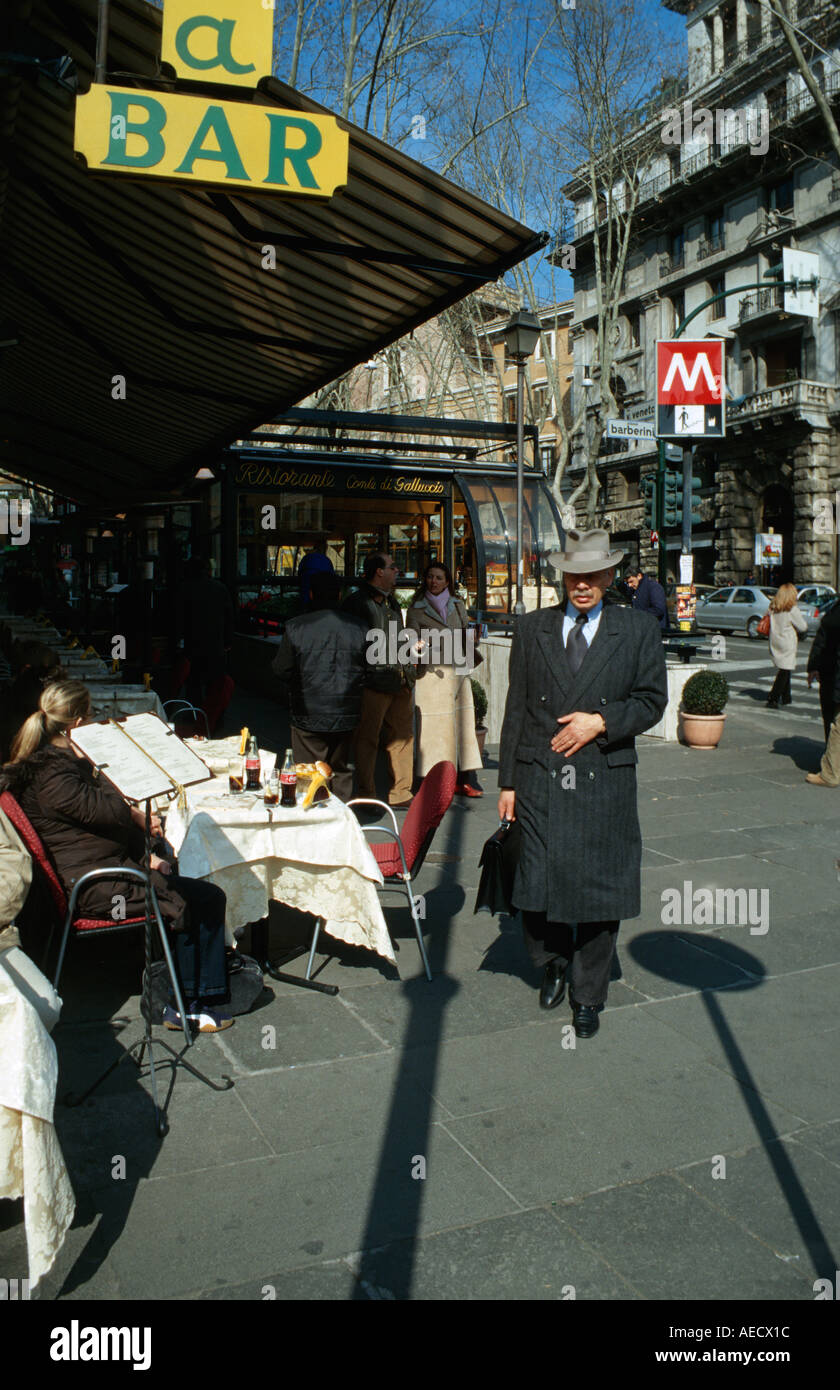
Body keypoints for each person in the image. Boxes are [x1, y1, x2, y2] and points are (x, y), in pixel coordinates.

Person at [497, 529, 668, 1039]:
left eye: (593, 575)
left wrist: (601, 721)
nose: (584, 585)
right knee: (534, 883)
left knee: (600, 888)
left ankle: (588, 993)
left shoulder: (636, 629)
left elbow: (651, 701)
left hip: (603, 778)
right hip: (539, 777)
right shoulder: (532, 629)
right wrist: (507, 782)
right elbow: (517, 710)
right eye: (575, 575)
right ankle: (550, 960)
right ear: (563, 577)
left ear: (610, 576)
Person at [1, 681, 232, 1032]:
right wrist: (106, 760)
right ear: (77, 726)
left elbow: (106, 820)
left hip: (94, 869)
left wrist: (146, 854)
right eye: (91, 716)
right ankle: (189, 1004)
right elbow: (114, 811)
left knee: (183, 878)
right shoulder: (56, 777)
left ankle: (189, 982)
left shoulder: (47, 765)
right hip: (98, 886)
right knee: (205, 898)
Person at [271, 573, 367, 801]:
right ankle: (343, 820)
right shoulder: (360, 628)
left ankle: (314, 821)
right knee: (342, 769)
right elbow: (371, 667)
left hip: (308, 712)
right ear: (340, 595)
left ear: (312, 594)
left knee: (309, 773)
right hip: (347, 712)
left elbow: (281, 669)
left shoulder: (296, 627)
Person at [342, 553, 415, 808]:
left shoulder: (391, 602)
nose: (398, 570)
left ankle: (402, 793)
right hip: (374, 683)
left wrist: (408, 671)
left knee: (403, 737)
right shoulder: (358, 603)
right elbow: (352, 645)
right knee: (367, 739)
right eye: (392, 567)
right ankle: (366, 794)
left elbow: (398, 638)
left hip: (399, 680)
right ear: (378, 572)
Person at [406, 562, 483, 797]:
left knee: (464, 726)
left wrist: (472, 642)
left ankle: (463, 779)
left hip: (458, 670)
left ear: (447, 581)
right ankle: (432, 782)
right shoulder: (416, 608)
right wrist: (417, 645)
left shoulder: (458, 605)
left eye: (439, 577)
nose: (434, 581)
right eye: (430, 577)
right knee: (434, 730)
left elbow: (464, 632)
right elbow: (409, 639)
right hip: (432, 672)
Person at [175, 557, 234, 707]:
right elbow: (229, 617)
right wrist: (228, 641)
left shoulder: (184, 588)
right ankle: (211, 716)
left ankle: (194, 713)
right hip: (216, 644)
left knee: (193, 682)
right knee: (215, 684)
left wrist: (177, 641)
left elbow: (179, 618)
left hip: (193, 643)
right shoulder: (220, 588)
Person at [766, 583, 808, 708]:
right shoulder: (791, 609)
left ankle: (786, 697)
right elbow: (803, 626)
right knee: (784, 670)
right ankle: (773, 697)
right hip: (787, 641)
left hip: (775, 640)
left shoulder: (773, 607)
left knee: (786, 668)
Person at [806, 599, 840, 738]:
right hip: (830, 674)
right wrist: (813, 667)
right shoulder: (835, 610)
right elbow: (821, 640)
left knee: (832, 723)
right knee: (831, 721)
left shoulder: (834, 610)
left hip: (830, 674)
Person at [625, 565, 668, 631]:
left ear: (639, 576)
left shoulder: (653, 587)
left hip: (655, 630)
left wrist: (637, 615)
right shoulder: (635, 589)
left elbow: (658, 609)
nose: (630, 585)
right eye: (627, 583)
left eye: (631, 581)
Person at [297, 539, 334, 605]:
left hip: (306, 596)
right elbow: (331, 577)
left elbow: (299, 573)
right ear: (325, 549)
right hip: (322, 598)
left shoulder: (306, 558)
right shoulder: (327, 561)